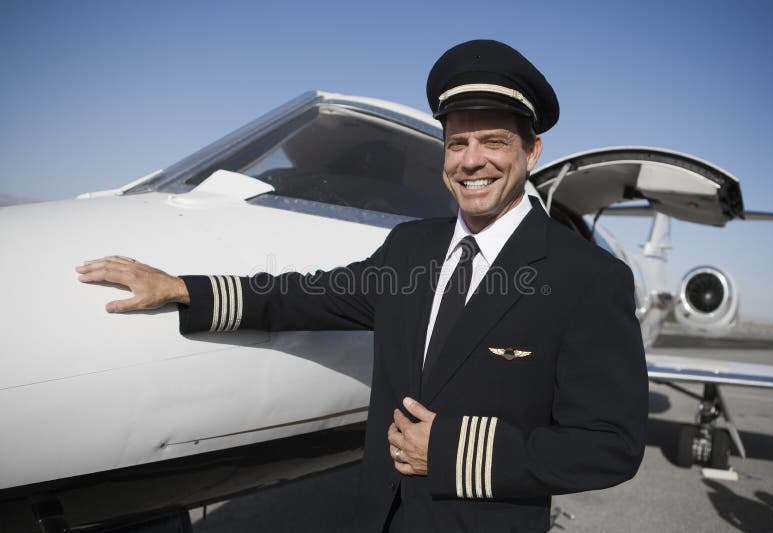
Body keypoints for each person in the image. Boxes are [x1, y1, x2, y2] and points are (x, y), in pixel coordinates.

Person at [77, 40, 648, 532]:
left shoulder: (587, 278)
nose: (472, 162)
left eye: (493, 142)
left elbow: (609, 445)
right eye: (456, 144)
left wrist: (449, 452)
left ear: (531, 151)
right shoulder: (411, 248)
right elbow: (302, 294)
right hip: (379, 518)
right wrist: (181, 287)